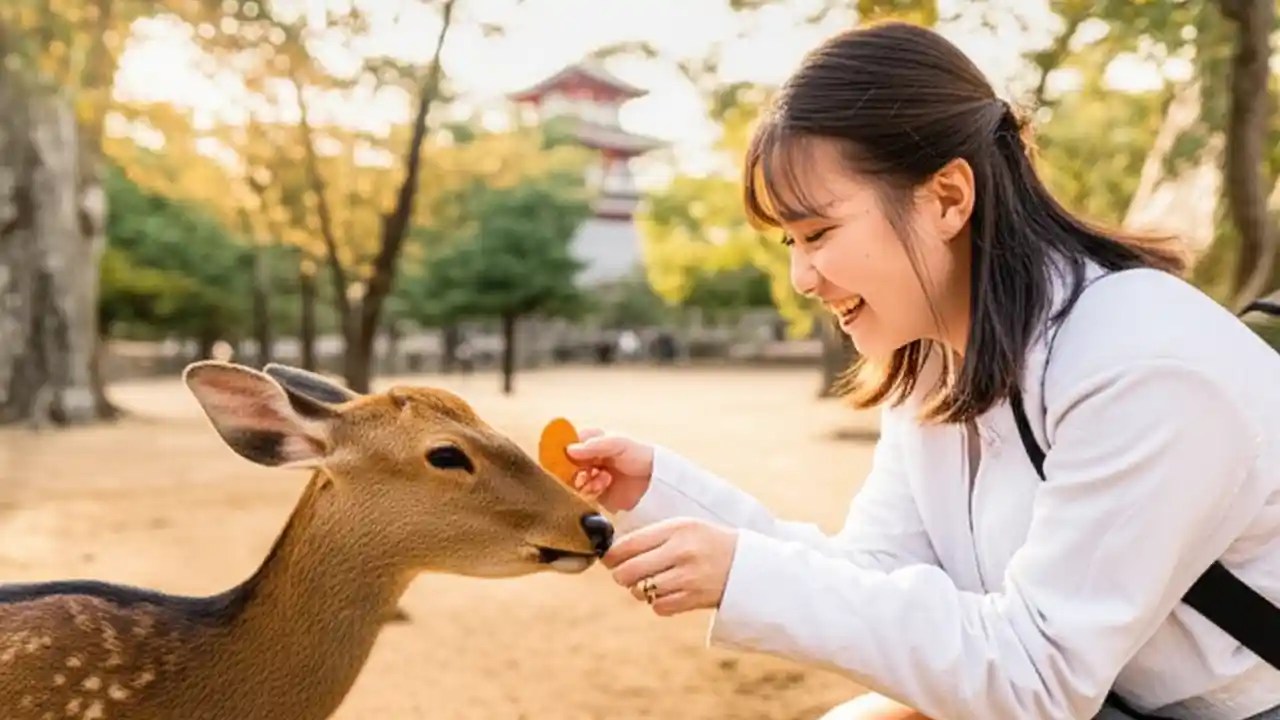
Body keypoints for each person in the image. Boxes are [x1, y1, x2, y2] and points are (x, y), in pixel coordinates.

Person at [562, 21, 1280, 720]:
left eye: (818, 233)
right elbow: (875, 577)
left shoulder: (1138, 365)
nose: (801, 276)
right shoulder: (936, 365)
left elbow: (1037, 681)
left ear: (947, 198)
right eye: (789, 239)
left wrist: (748, 574)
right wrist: (666, 493)